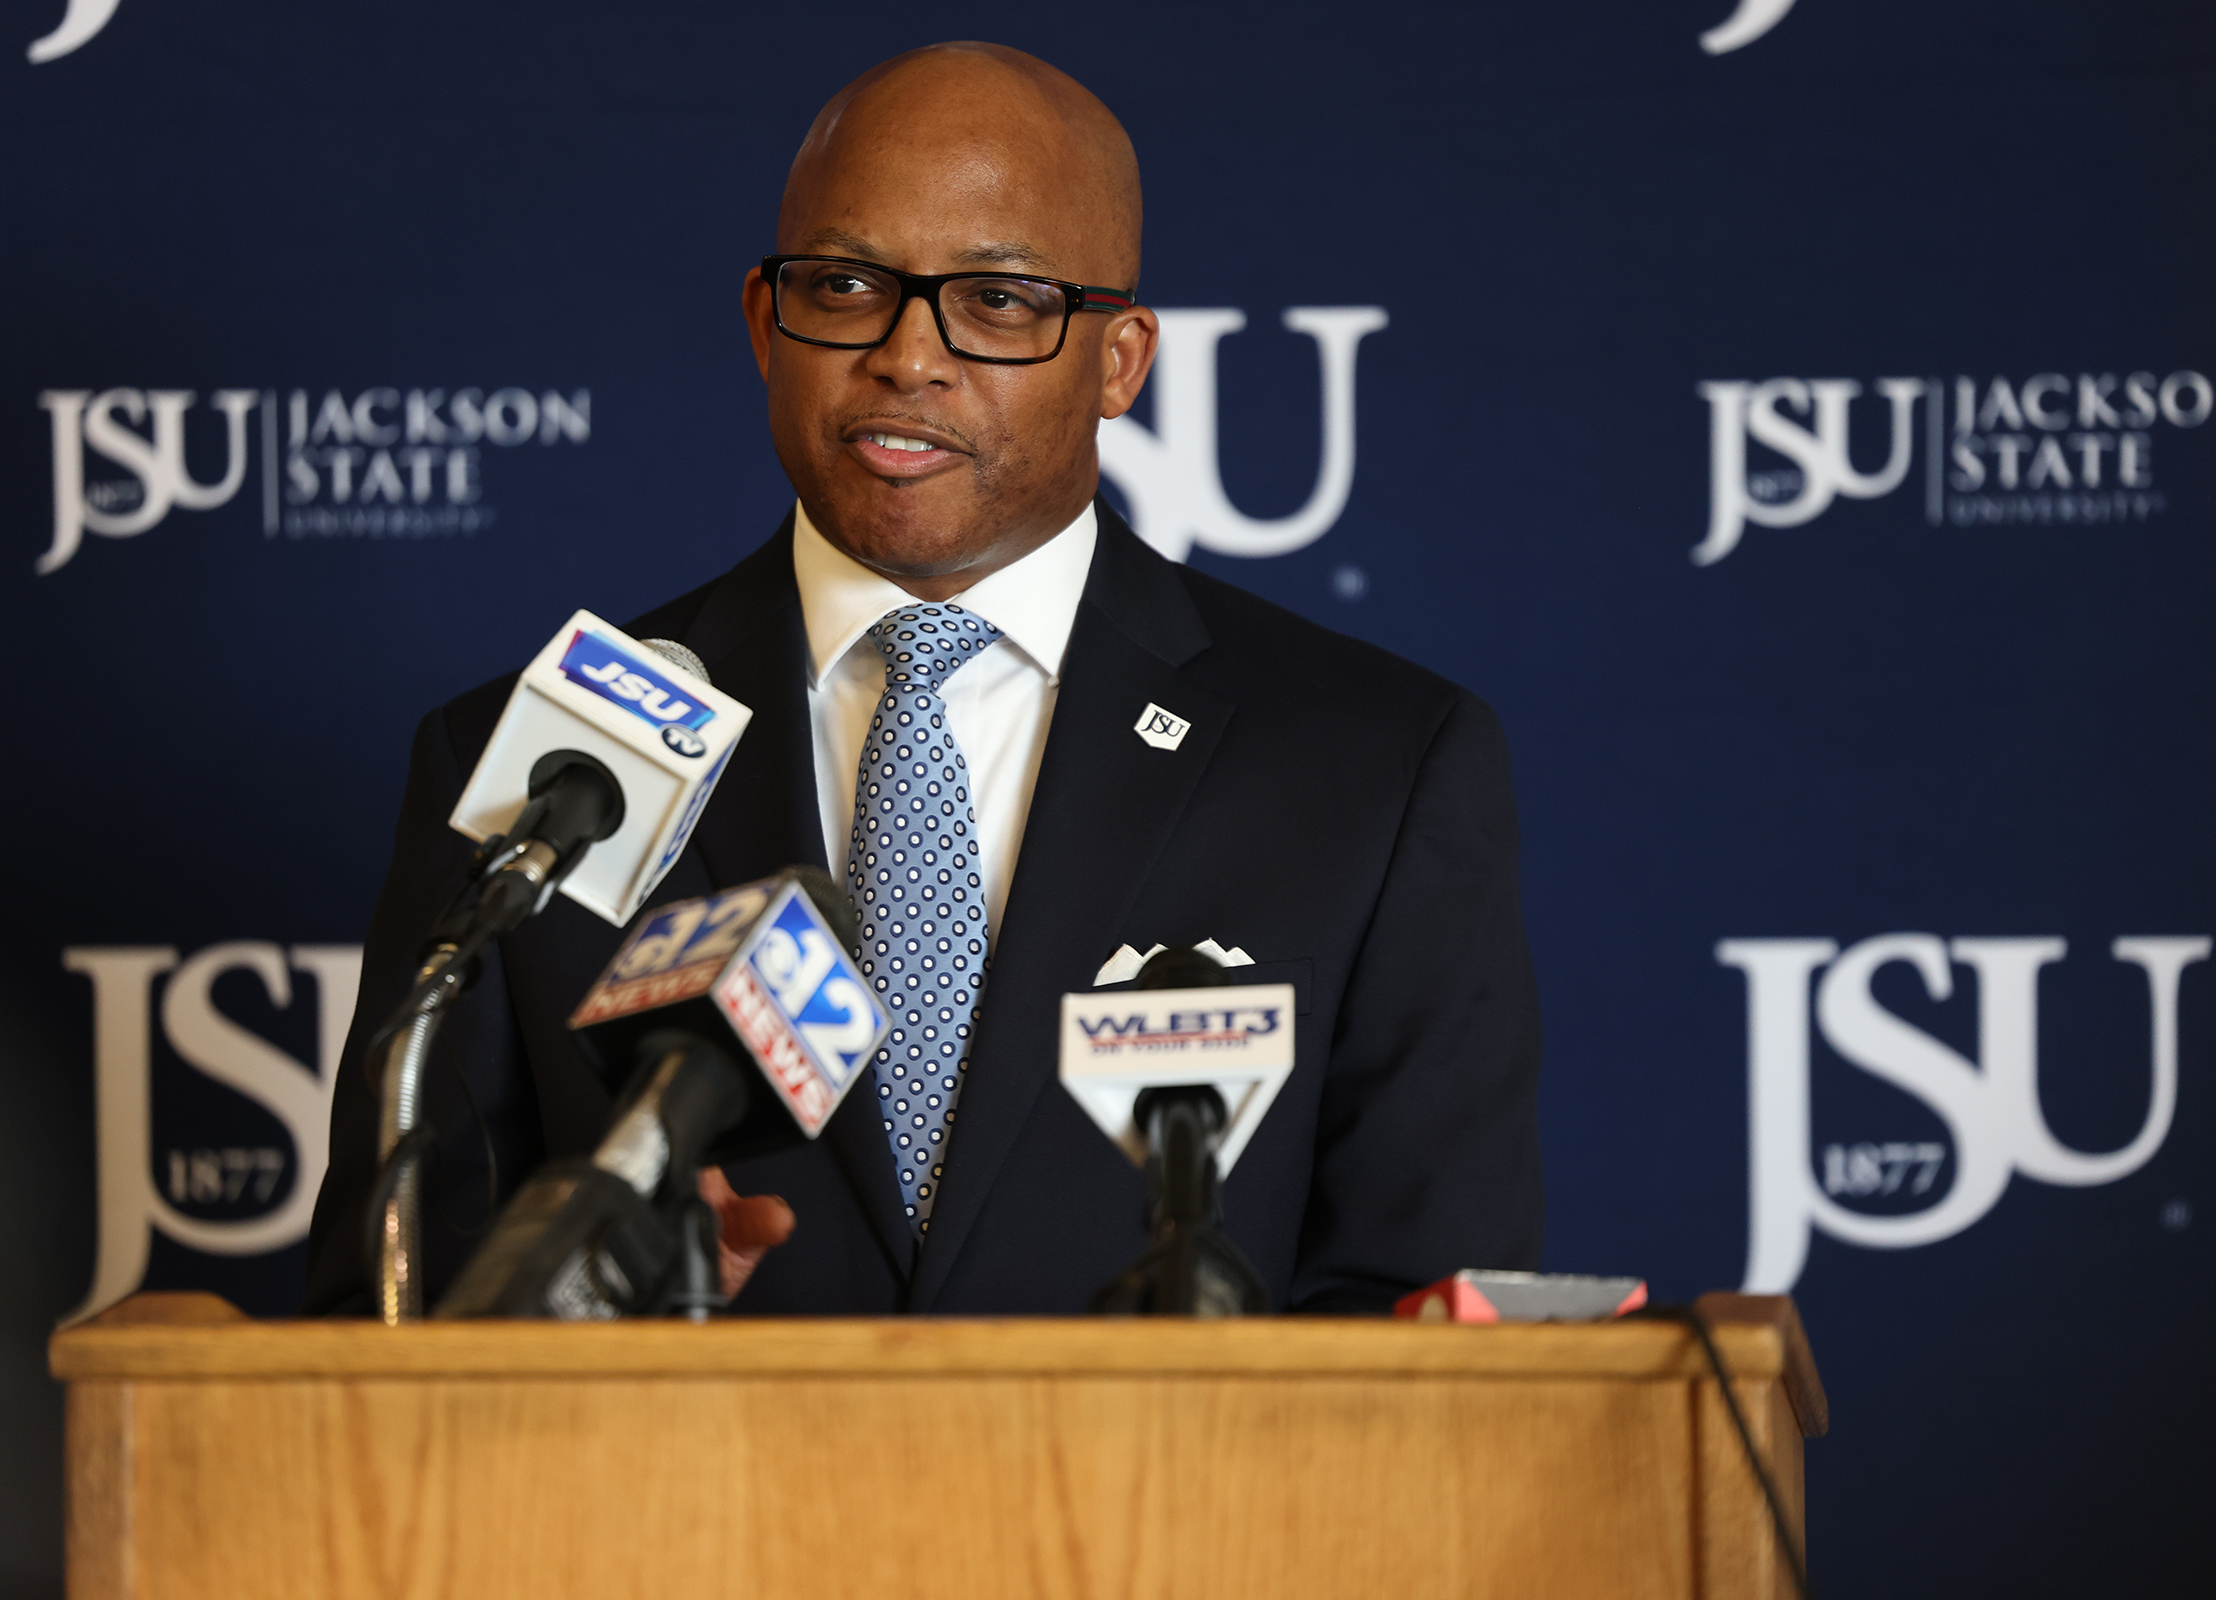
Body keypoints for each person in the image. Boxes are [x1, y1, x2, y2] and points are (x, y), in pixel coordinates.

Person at [304, 41, 1542, 1316]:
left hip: (1180, 1515)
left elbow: (1429, 1330)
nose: (907, 354)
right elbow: (387, 1316)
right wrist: (587, 1325)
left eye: (999, 300)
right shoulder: (544, 758)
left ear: (1118, 360)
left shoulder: (1372, 765)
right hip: (681, 1512)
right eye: (845, 286)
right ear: (762, 325)